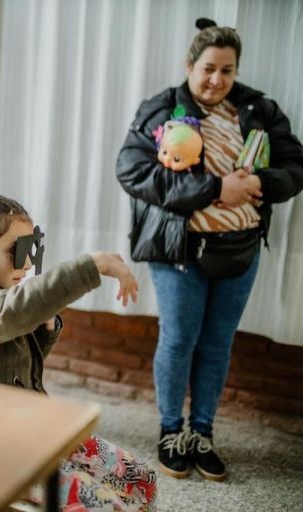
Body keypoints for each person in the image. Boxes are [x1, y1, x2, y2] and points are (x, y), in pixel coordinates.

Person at [116, 18, 303, 482]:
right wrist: (217, 188)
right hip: (179, 250)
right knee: (179, 341)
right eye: (208, 69)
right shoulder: (162, 108)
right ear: (189, 65)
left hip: (240, 252)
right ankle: (170, 432)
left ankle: (202, 433)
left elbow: (296, 165)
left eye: (227, 70)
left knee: (217, 347)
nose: (217, 79)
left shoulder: (259, 109)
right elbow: (133, 171)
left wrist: (262, 182)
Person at [0, 187, 156, 511]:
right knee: (110, 505)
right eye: (19, 250)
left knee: (142, 479)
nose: (28, 263)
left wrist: (45, 332)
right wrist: (91, 266)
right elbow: (9, 313)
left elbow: (10, 359)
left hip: (27, 429)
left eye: (34, 247)